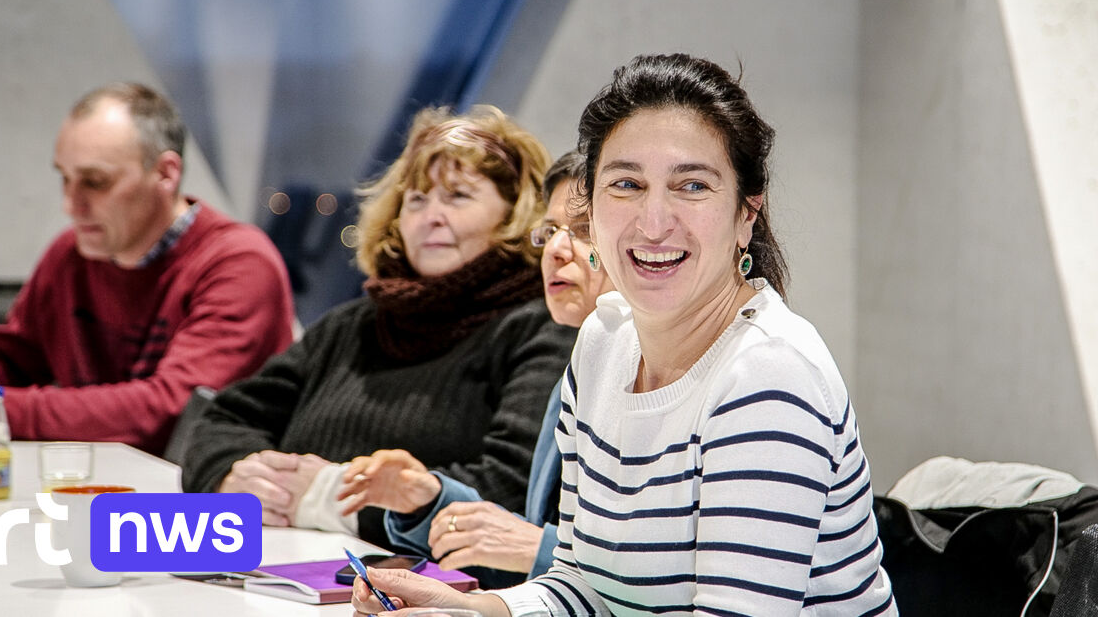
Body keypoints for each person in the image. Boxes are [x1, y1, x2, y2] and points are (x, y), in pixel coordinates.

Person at [351, 54, 897, 616]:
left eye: (692, 185)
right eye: (627, 184)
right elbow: (584, 586)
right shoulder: (602, 341)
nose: (654, 221)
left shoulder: (768, 375)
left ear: (746, 215)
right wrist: (477, 610)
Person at [180, 105, 576, 551]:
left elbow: (511, 489)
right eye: (417, 199)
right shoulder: (353, 324)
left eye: (458, 197)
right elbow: (223, 419)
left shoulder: (542, 326)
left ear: (515, 217)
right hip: (280, 568)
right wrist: (235, 473)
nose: (431, 216)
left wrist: (324, 497)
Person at [0, 83, 294, 455]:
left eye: (95, 182)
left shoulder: (239, 263)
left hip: (202, 512)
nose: (71, 205)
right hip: (100, 486)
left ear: (166, 174)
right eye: (66, 179)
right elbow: (11, 358)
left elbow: (172, 410)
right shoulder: (72, 255)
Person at [337, 150, 612, 588]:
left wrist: (539, 550)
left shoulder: (675, 369)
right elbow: (518, 548)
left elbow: (671, 579)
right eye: (551, 231)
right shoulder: (583, 367)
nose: (557, 250)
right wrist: (429, 500)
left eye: (583, 231)